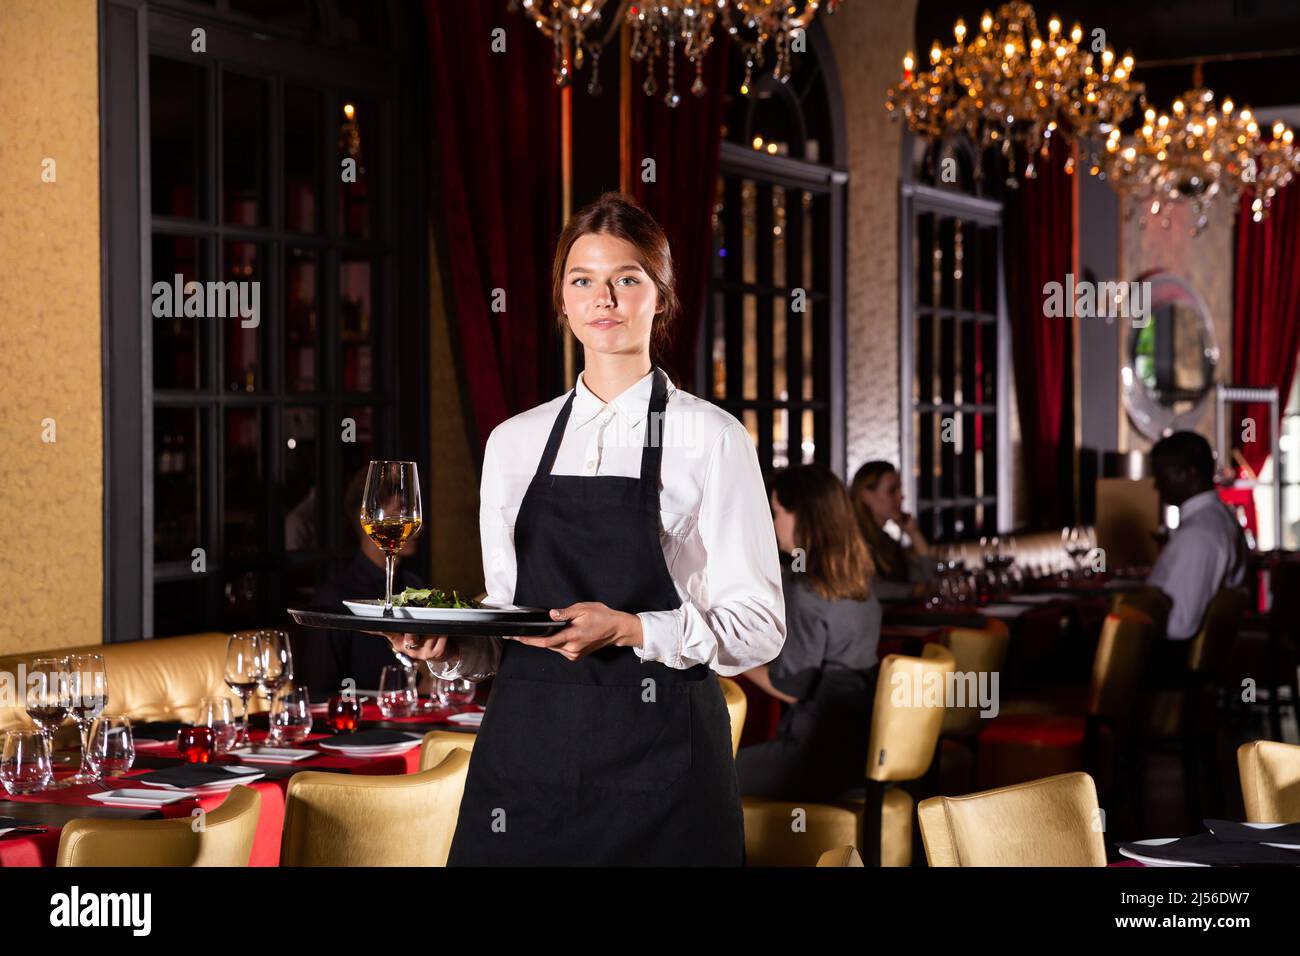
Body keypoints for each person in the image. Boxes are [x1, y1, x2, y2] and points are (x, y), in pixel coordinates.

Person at [390, 191, 785, 865]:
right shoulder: (514, 442)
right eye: (583, 281)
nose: (604, 298)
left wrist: (634, 629)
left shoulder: (712, 438)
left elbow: (760, 627)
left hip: (664, 767)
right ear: (563, 302)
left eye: (626, 279)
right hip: (526, 763)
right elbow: (509, 620)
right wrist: (446, 648)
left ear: (658, 296)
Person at [735, 464, 881, 802]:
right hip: (862, 752)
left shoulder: (808, 591)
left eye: (777, 513)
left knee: (702, 776)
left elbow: (792, 687)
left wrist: (726, 660)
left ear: (803, 516)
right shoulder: (859, 581)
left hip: (814, 759)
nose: (773, 524)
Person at [303, 467, 423, 693]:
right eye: (400, 510)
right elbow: (319, 690)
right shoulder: (336, 597)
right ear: (369, 517)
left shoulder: (414, 586)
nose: (418, 526)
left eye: (412, 512)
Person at [1146, 431, 1248, 678]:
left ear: (1191, 473)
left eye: (1163, 475)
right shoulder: (1220, 518)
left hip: (1166, 666)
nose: (1156, 485)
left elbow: (1179, 626)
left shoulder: (1200, 534)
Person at [850, 460, 933, 600]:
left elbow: (929, 579)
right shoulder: (853, 540)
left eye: (899, 489)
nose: (901, 496)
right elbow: (866, 587)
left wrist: (914, 534)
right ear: (866, 495)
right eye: (892, 490)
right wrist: (914, 591)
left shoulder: (886, 541)